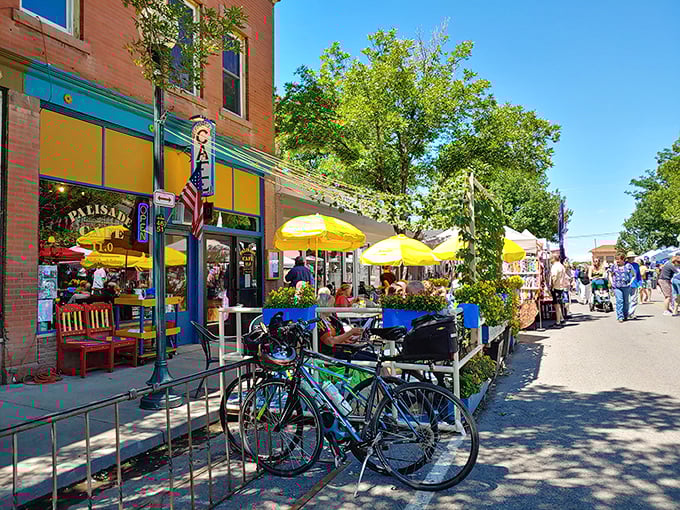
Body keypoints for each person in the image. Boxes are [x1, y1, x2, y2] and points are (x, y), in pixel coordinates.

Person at [609, 254, 635, 322]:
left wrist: (630, 282)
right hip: (617, 286)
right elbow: (610, 274)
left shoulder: (628, 266)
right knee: (619, 301)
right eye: (616, 259)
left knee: (626, 302)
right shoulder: (613, 267)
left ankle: (625, 315)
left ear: (623, 259)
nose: (617, 261)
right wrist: (612, 282)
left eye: (619, 259)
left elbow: (633, 275)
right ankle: (620, 316)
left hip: (626, 286)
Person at [550, 254, 567, 328]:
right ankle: (562, 319)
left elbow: (554, 276)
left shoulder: (555, 266)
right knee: (558, 304)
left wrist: (552, 285)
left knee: (556, 305)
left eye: (551, 258)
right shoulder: (561, 266)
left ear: (554, 258)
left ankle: (558, 322)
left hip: (556, 287)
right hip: (560, 287)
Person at [626, 251, 643, 319]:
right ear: (628, 258)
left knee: (634, 299)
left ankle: (631, 313)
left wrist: (640, 284)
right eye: (631, 257)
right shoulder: (624, 265)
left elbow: (638, 275)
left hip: (635, 284)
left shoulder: (636, 265)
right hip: (626, 284)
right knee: (626, 300)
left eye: (633, 257)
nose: (632, 258)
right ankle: (626, 313)